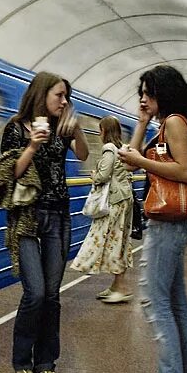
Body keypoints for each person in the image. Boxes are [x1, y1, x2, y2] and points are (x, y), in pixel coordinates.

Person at [0, 71, 89, 373]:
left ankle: (46, 362)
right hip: (27, 218)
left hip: (59, 216)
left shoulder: (62, 128)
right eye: (59, 95)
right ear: (41, 95)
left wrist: (76, 129)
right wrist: (33, 145)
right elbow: (12, 172)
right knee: (35, 293)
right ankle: (22, 362)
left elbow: (83, 155)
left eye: (67, 97)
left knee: (52, 295)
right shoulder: (15, 128)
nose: (64, 101)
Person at [117, 65, 187, 373]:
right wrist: (139, 124)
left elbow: (186, 171)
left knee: (155, 302)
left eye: (148, 91)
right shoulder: (164, 125)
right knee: (176, 303)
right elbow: (129, 164)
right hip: (172, 223)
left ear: (163, 92)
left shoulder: (176, 123)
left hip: (167, 223)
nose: (143, 97)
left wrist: (143, 162)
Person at [70, 115, 134, 303]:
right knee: (120, 241)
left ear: (104, 131)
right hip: (123, 199)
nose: (99, 134)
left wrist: (94, 175)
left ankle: (120, 287)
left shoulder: (109, 149)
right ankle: (116, 285)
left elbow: (103, 176)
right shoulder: (123, 148)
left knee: (110, 240)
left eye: (100, 130)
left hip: (113, 201)